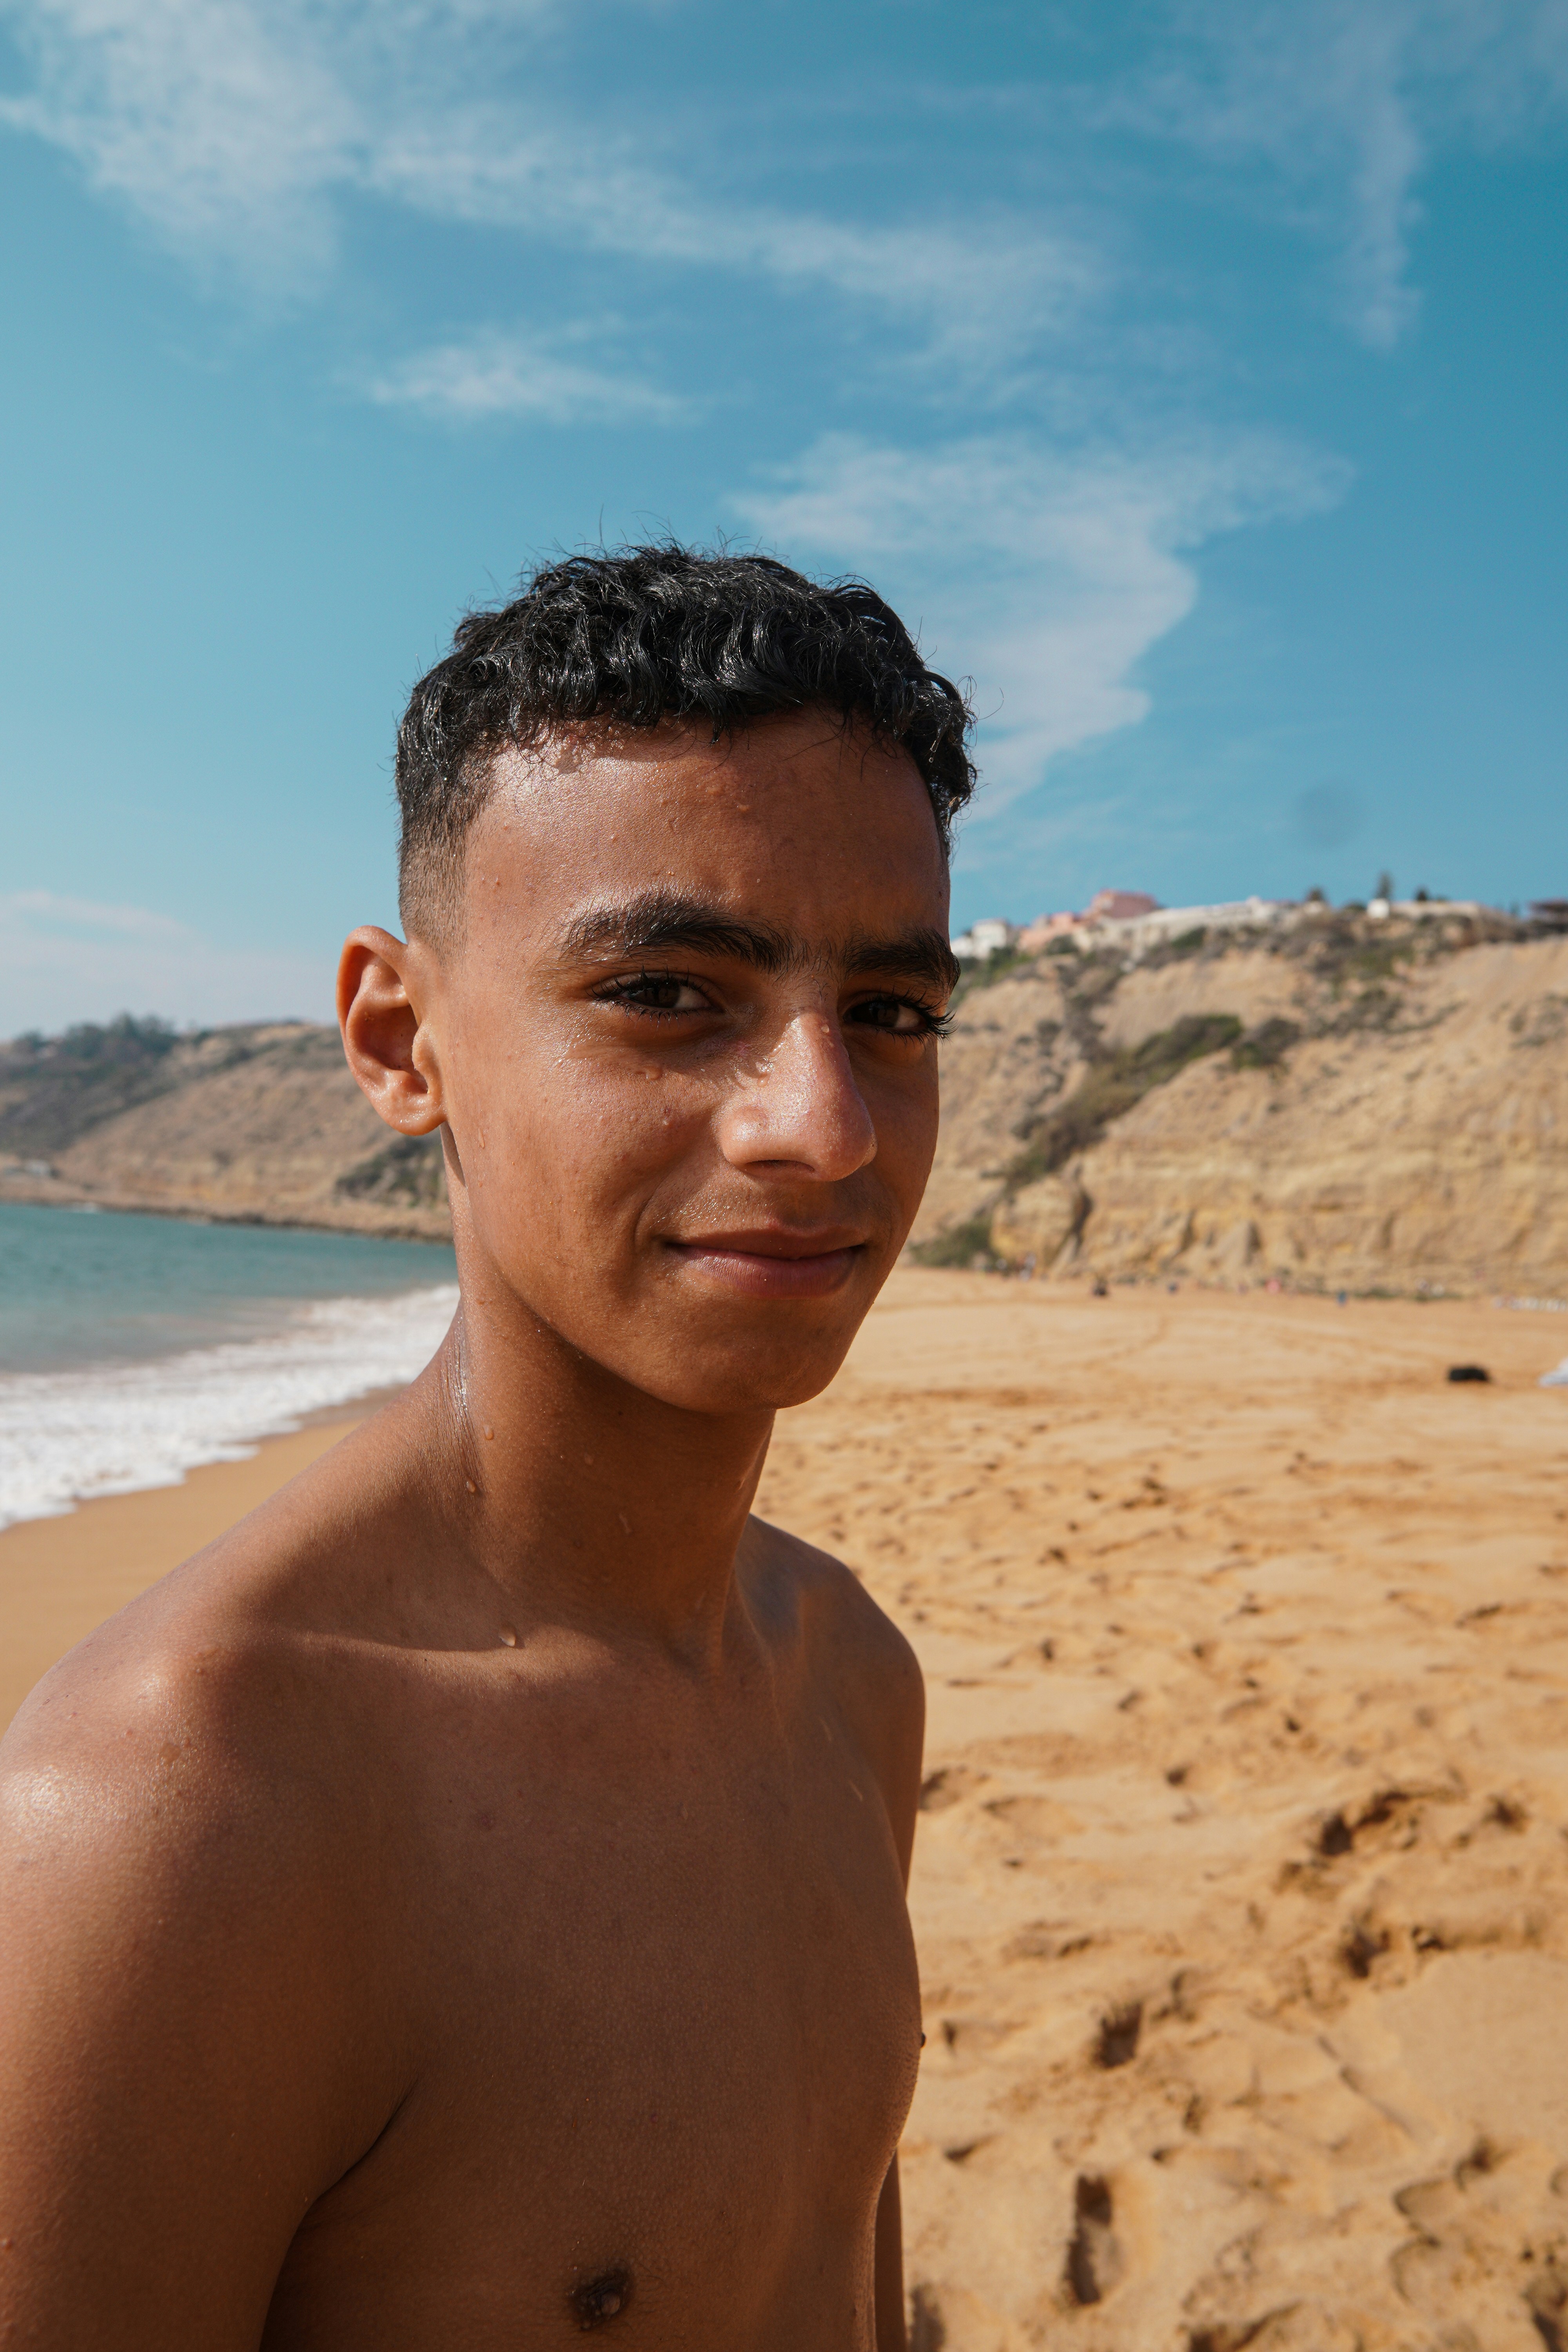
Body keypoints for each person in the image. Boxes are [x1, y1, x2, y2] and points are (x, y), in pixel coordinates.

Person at [0, 546, 973, 2350]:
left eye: (894, 1015)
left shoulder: (849, 1679)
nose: (822, 1127)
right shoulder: (177, 1825)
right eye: (669, 992)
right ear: (401, 1039)